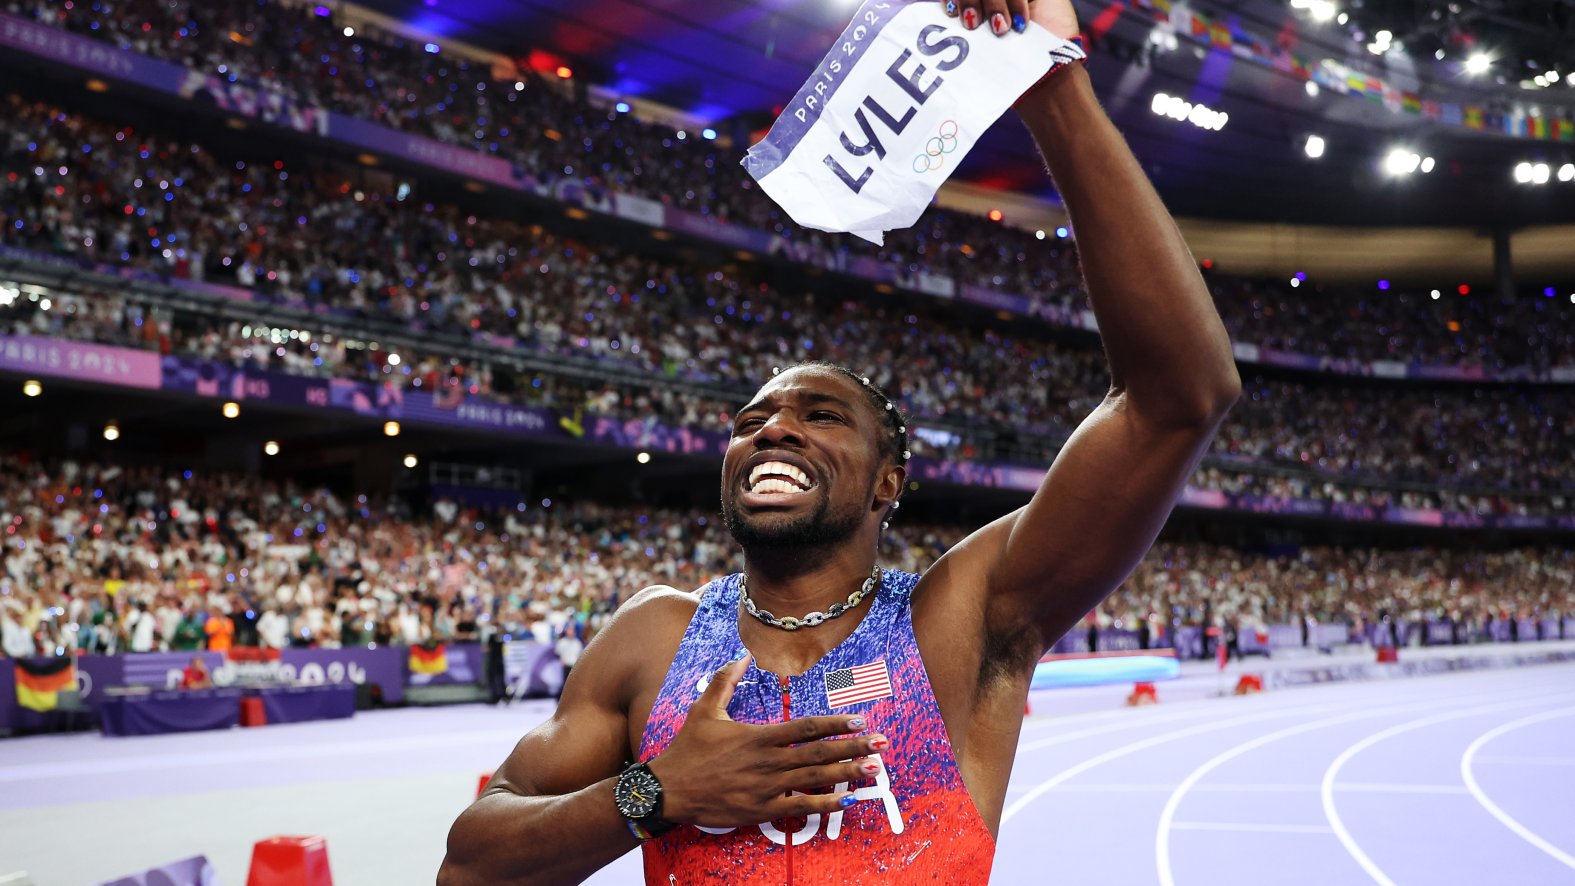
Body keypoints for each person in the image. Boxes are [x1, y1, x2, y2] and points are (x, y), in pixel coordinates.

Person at [438, 1, 1239, 882]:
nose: (772, 427)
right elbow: (472, 864)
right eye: (750, 423)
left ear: (888, 480)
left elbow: (1178, 399)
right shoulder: (652, 638)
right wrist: (656, 793)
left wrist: (1053, 83)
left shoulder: (964, 616)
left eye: (819, 416)